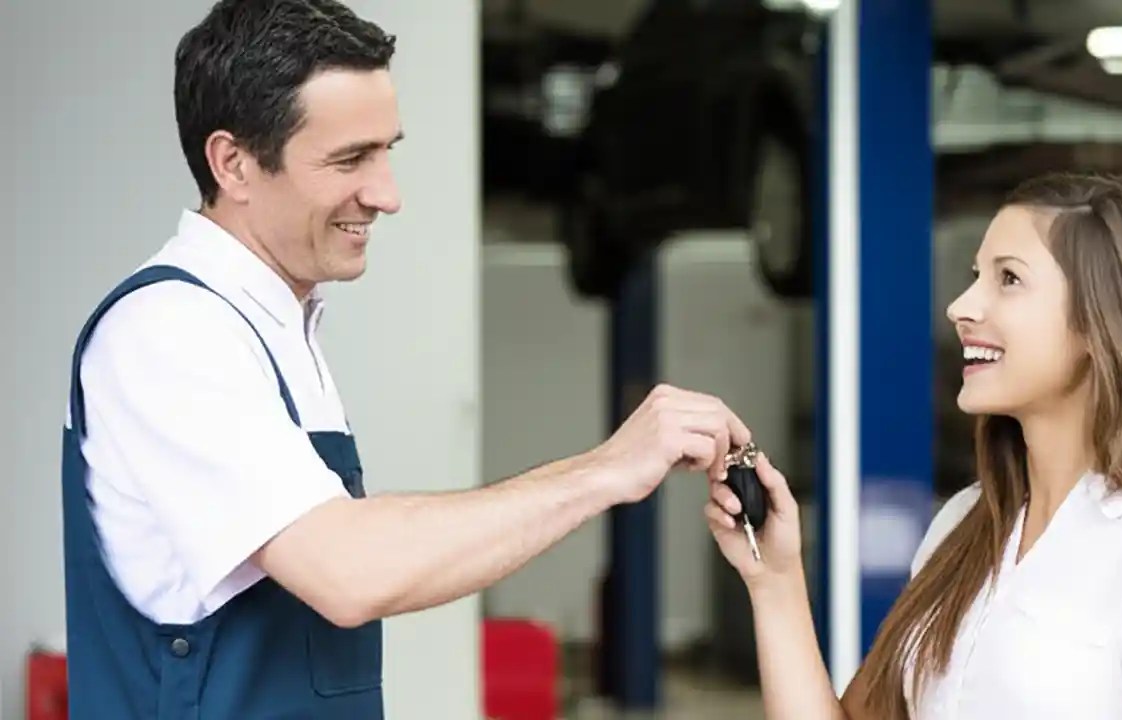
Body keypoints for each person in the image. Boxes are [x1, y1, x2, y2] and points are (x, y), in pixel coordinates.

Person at [60, 1, 752, 717]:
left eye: (387, 150)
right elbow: (349, 570)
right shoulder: (172, 331)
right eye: (349, 159)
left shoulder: (273, 327)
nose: (386, 194)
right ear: (233, 163)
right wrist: (605, 471)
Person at [706, 172, 1122, 719]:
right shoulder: (962, 525)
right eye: (977, 275)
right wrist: (775, 579)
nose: (961, 307)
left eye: (1008, 279)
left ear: (1105, 325)